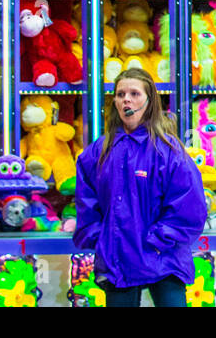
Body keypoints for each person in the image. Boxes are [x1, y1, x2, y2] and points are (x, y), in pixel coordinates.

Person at [74, 68, 207, 307]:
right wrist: (99, 238)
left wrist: (157, 240)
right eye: (120, 94)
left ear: (149, 101)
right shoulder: (97, 153)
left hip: (164, 258)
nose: (126, 99)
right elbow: (86, 202)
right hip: (117, 260)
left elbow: (190, 207)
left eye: (134, 93)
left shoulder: (169, 152)